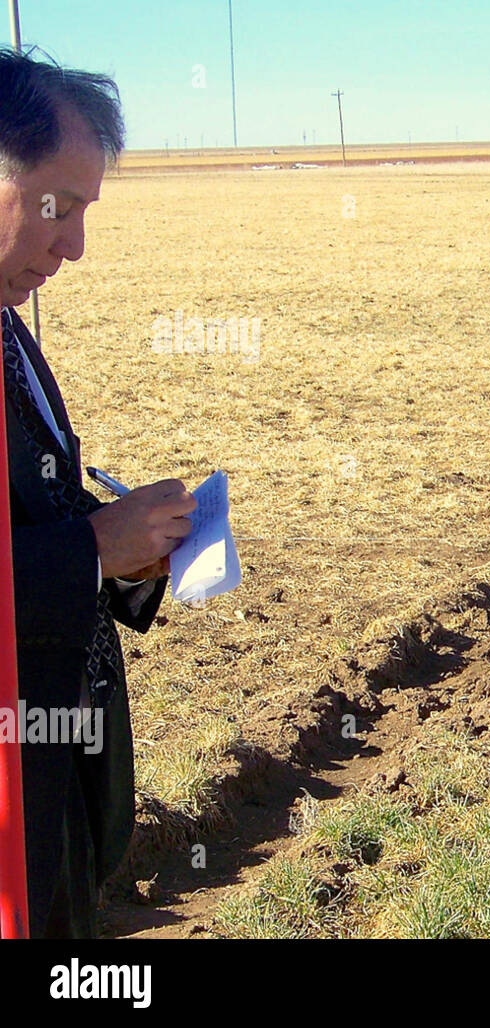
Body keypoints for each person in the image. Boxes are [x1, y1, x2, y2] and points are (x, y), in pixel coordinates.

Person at [2, 49, 195, 938]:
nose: (74, 246)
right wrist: (91, 550)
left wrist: (129, 551)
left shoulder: (7, 325)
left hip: (51, 790)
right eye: (58, 207)